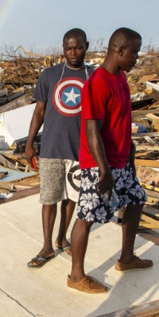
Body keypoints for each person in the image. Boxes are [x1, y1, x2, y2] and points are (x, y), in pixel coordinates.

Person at [67, 28, 152, 293]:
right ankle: (76, 276)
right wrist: (103, 170)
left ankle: (126, 258)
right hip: (99, 164)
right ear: (120, 50)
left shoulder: (121, 78)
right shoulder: (98, 83)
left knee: (136, 200)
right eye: (135, 52)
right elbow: (92, 130)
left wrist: (130, 152)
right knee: (86, 215)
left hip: (121, 160)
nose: (137, 58)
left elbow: (120, 121)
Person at [24, 29, 92, 268]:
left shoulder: (93, 76)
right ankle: (46, 246)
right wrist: (30, 142)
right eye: (68, 48)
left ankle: (62, 237)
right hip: (52, 147)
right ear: (62, 48)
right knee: (49, 198)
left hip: (80, 150)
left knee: (72, 197)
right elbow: (39, 111)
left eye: (78, 47)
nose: (73, 52)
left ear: (86, 46)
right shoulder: (50, 75)